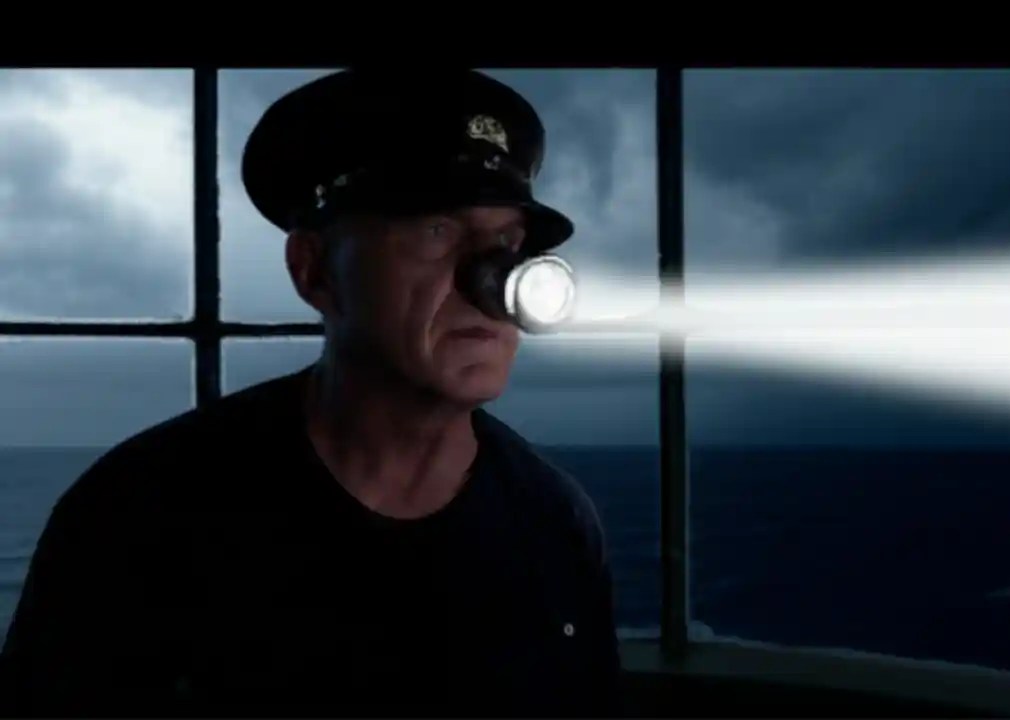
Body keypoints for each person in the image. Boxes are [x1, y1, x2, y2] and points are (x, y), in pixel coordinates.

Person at [0, 67, 621, 716]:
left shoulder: (557, 522)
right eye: (436, 231)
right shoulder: (140, 513)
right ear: (314, 270)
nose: (495, 282)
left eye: (509, 246)